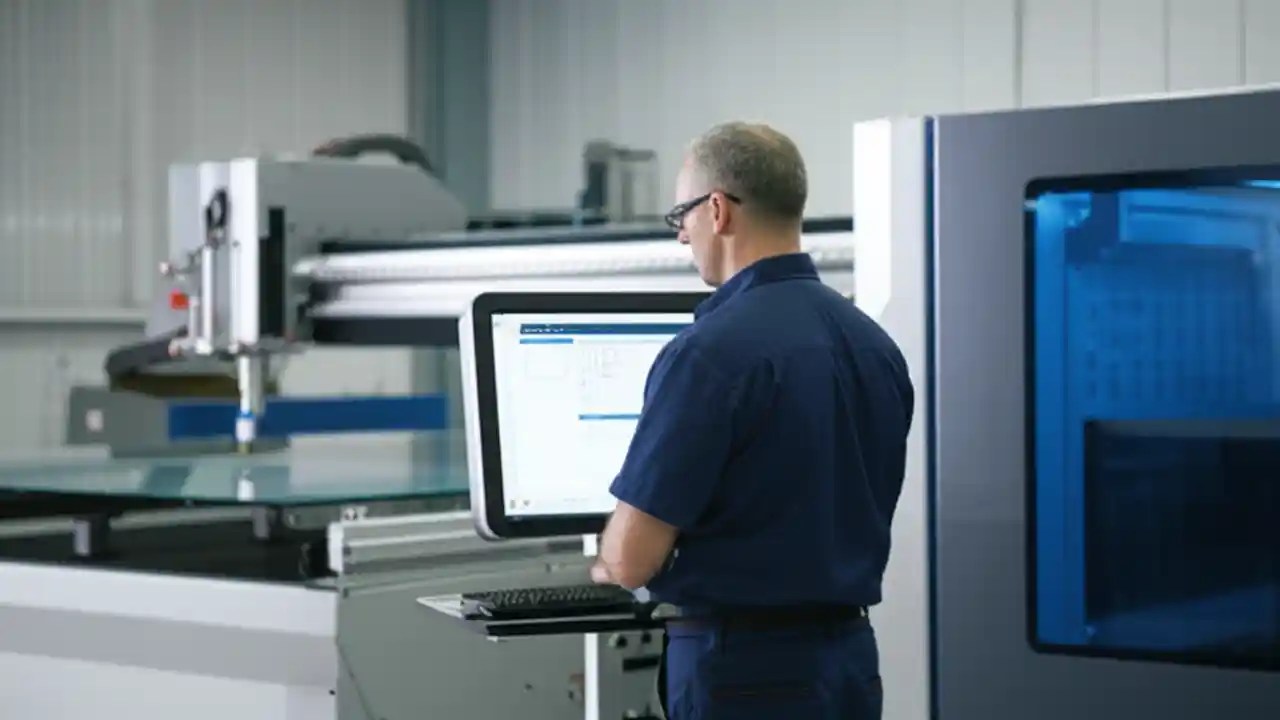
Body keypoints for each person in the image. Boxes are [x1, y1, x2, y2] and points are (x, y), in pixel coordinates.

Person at [589, 121, 914, 719]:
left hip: (740, 672)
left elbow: (632, 560)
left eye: (680, 216)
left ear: (716, 210)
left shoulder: (709, 353)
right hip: (849, 663)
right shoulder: (875, 346)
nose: (682, 237)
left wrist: (607, 558)